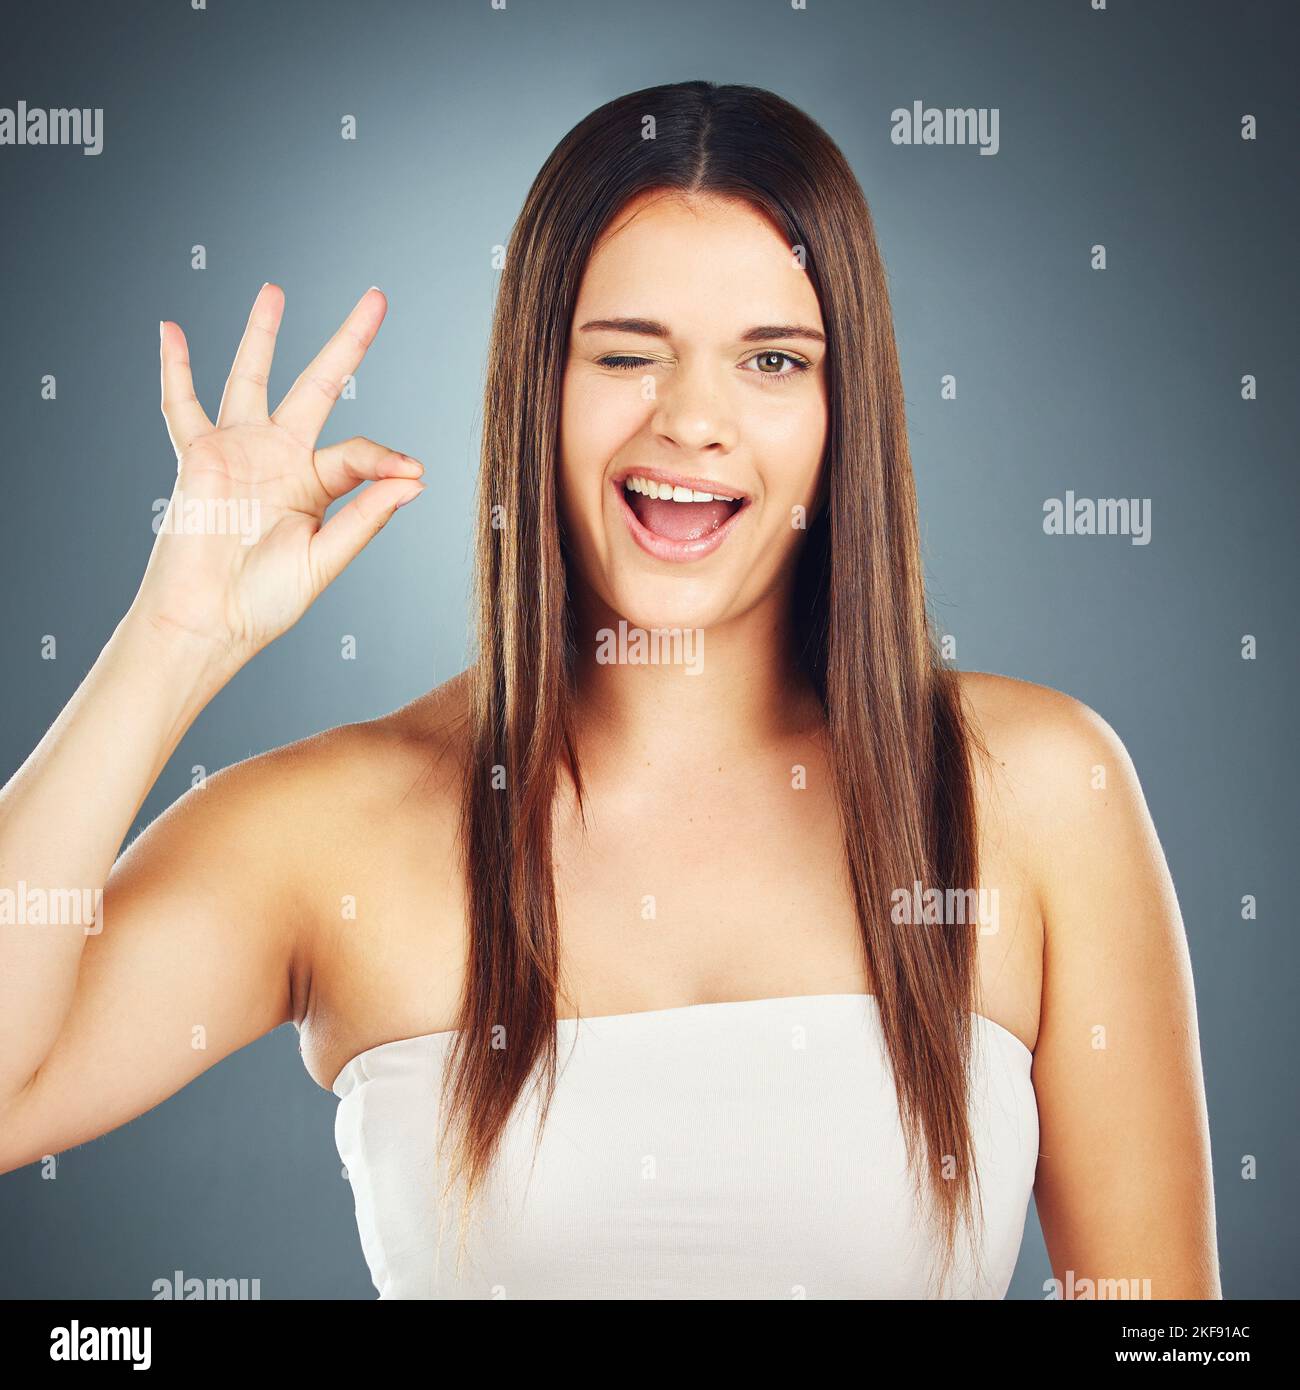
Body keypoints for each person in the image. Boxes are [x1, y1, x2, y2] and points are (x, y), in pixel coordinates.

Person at [0, 80, 1220, 1299]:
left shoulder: (1037, 789)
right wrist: (173, 635)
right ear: (537, 388)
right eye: (628, 354)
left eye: (773, 360)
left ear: (845, 412)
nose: (693, 419)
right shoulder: (328, 832)